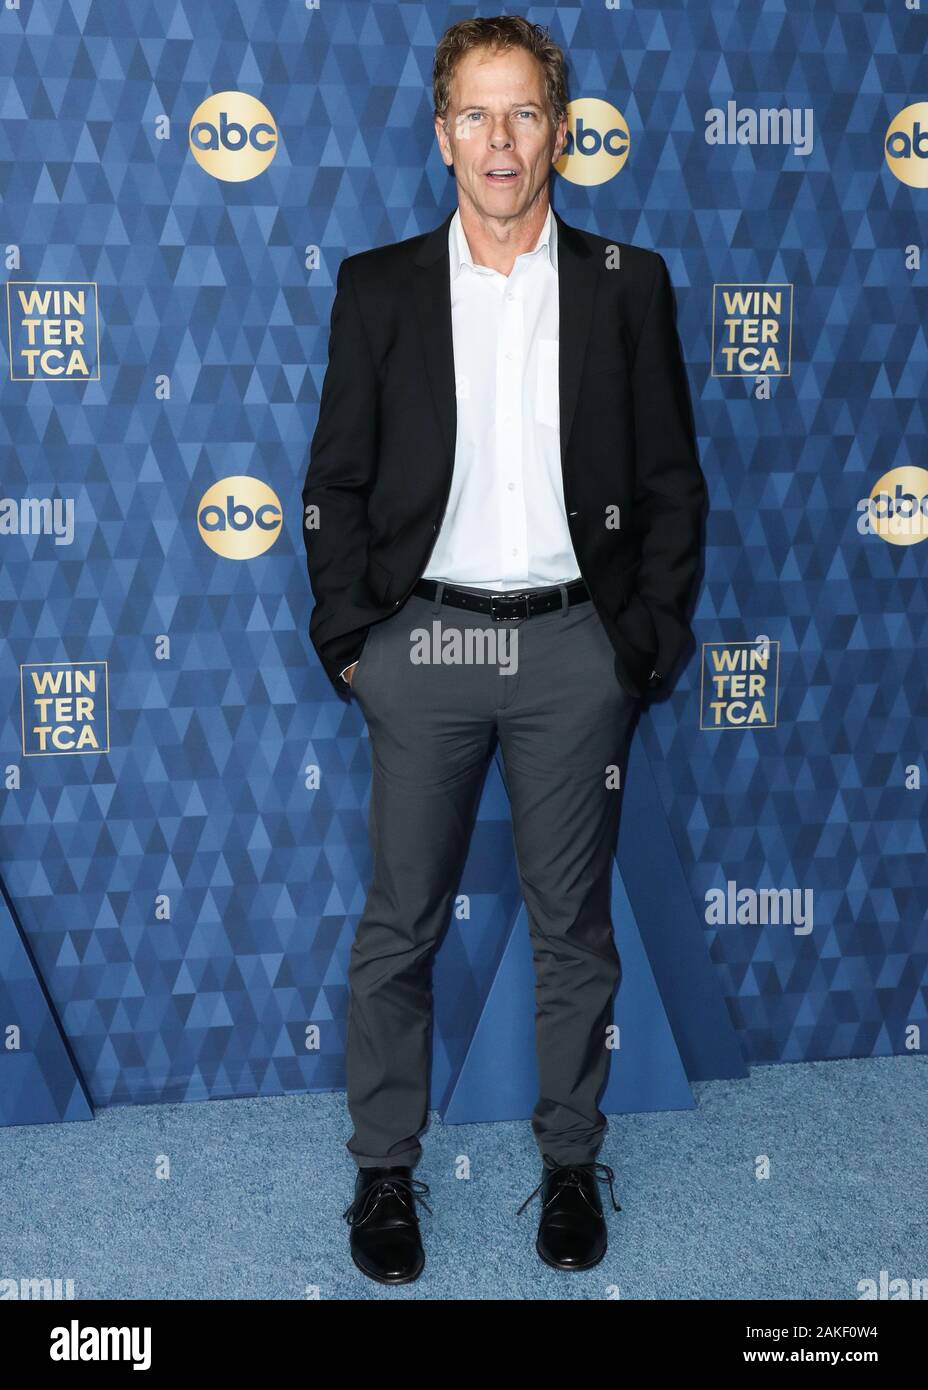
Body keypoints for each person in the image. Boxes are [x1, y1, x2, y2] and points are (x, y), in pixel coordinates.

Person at [302, 14, 707, 1285]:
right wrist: (356, 644)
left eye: (523, 111)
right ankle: (381, 1176)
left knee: (572, 928)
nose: (498, 140)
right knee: (399, 927)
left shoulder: (625, 284)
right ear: (439, 134)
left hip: (574, 650)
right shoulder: (376, 287)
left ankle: (573, 1163)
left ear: (560, 132)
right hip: (423, 646)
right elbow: (336, 484)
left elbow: (672, 486)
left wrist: (639, 651)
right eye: (474, 113)